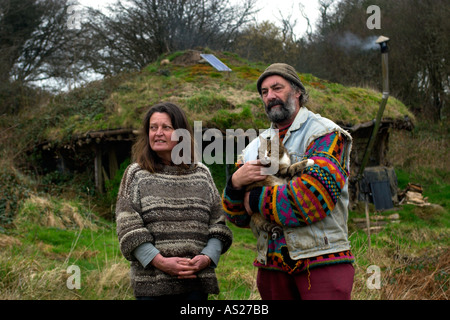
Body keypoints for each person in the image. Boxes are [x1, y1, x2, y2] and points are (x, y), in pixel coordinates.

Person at [222, 63, 355, 300]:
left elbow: (310, 199)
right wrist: (234, 183)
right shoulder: (255, 146)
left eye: (277, 88)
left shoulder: (325, 134)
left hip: (321, 265)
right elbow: (236, 216)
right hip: (272, 268)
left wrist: (252, 198)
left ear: (297, 92)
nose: (270, 96)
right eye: (264, 92)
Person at [116, 102, 233, 300]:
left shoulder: (201, 174)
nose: (158, 133)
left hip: (195, 285)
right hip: (152, 286)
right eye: (153, 128)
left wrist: (206, 258)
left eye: (166, 127)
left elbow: (218, 224)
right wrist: (160, 261)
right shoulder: (136, 175)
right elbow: (128, 226)